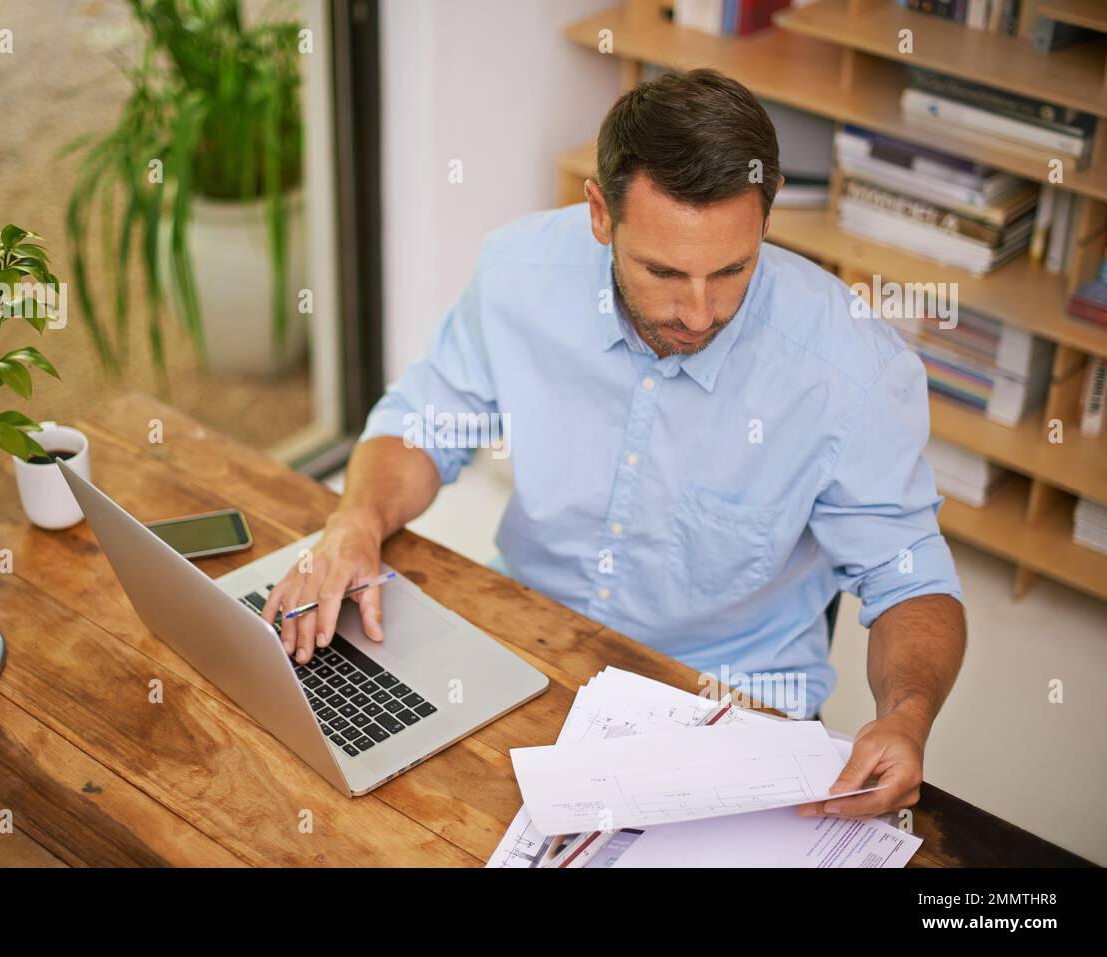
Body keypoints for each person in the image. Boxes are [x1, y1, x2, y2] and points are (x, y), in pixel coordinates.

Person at [262, 68, 966, 818]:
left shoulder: (852, 366)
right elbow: (421, 426)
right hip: (522, 648)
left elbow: (912, 580)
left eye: (732, 269)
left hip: (727, 710)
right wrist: (355, 525)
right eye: (662, 270)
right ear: (599, 213)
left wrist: (906, 716)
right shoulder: (518, 273)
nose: (699, 312)